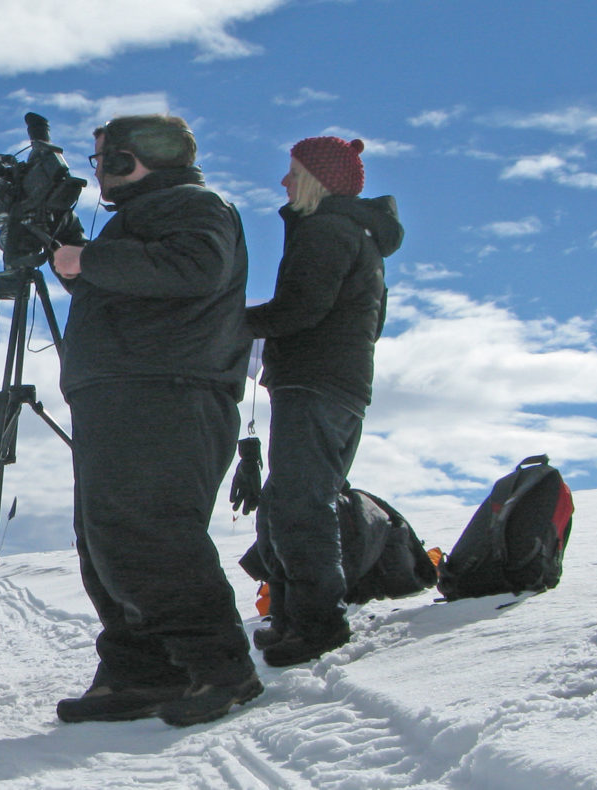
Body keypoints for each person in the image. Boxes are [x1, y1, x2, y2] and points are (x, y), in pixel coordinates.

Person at [46, 114, 260, 726]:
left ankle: (222, 669)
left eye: (103, 159)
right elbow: (130, 286)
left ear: (132, 158)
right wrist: (69, 248)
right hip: (129, 392)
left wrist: (90, 260)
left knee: (152, 534)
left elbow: (196, 268)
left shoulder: (195, 205)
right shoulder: (146, 216)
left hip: (167, 393)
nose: (98, 173)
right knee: (107, 539)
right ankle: (143, 672)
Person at [242, 136, 403, 667]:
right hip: (341, 386)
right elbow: (366, 322)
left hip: (314, 384)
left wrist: (229, 321)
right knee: (291, 500)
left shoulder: (327, 230)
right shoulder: (359, 236)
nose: (284, 182)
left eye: (293, 172)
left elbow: (300, 309)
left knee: (300, 505)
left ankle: (318, 624)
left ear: (317, 180)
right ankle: (293, 617)